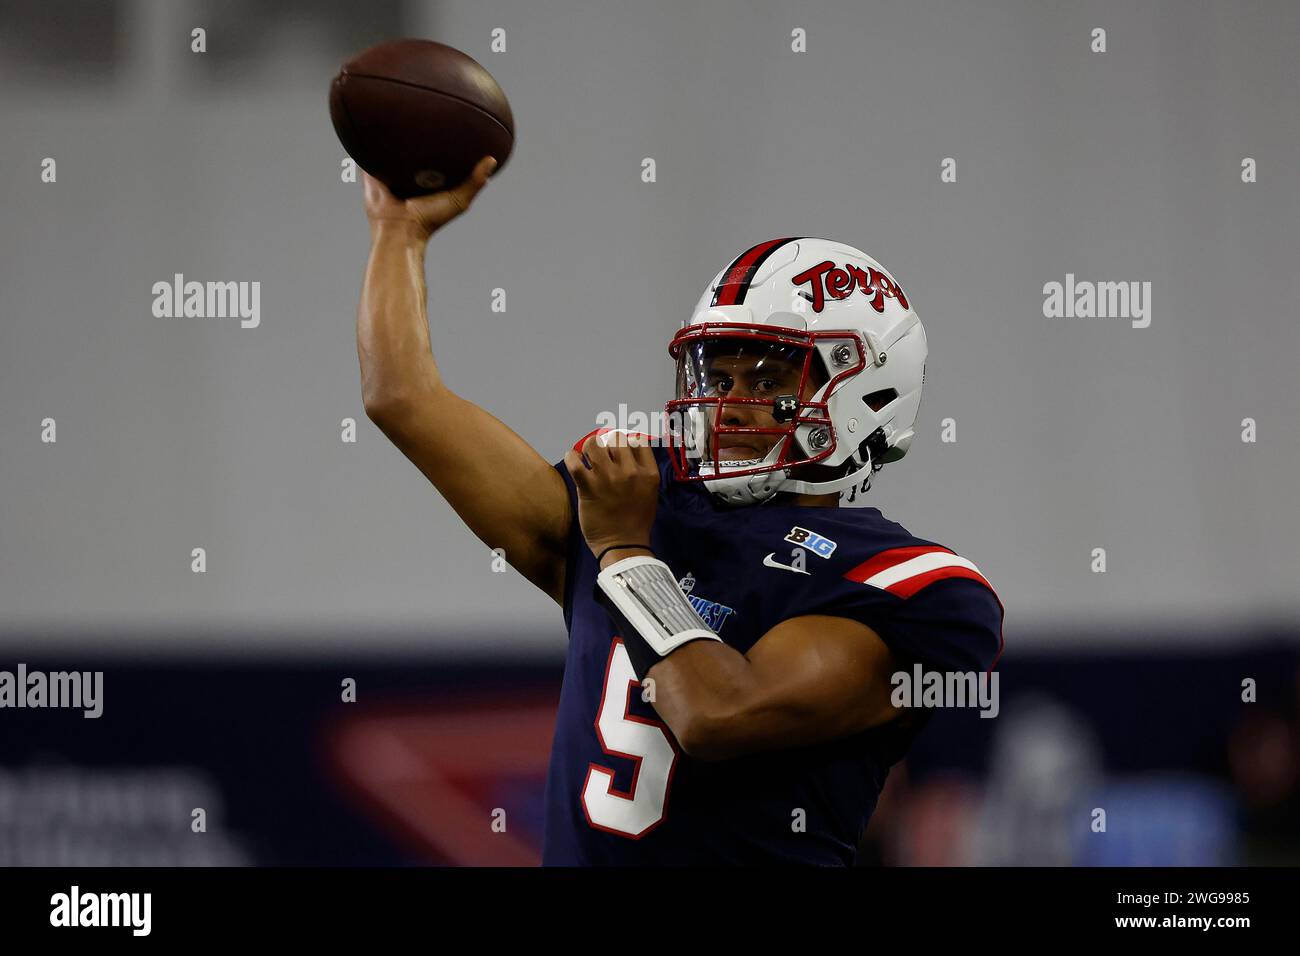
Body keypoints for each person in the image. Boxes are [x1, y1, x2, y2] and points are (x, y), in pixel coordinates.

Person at [356, 158, 1004, 865]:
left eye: (767, 377)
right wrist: (399, 230)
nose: (728, 402)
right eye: (717, 375)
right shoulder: (649, 500)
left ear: (867, 392)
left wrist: (628, 554)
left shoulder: (909, 584)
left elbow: (715, 714)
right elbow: (403, 399)